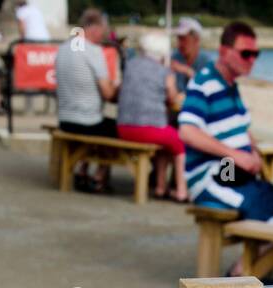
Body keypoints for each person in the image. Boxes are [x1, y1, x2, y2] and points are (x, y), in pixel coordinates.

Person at [178, 21, 273, 228]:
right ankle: (248, 261)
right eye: (245, 54)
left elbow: (241, 127)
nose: (251, 60)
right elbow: (187, 131)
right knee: (269, 209)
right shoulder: (204, 82)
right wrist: (236, 155)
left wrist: (253, 152)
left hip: (229, 167)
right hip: (212, 172)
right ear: (224, 51)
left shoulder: (231, 85)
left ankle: (250, 260)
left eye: (255, 54)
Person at [54, 7, 119, 193]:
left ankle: (82, 170)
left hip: (64, 119)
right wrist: (119, 89)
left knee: (97, 125)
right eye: (103, 31)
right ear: (95, 28)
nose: (104, 36)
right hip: (87, 121)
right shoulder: (92, 51)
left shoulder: (64, 48)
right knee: (119, 128)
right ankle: (99, 176)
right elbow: (108, 93)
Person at [117, 32, 186, 201]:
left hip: (123, 128)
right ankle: (181, 191)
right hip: (148, 129)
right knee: (179, 143)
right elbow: (173, 98)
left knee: (164, 142)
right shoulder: (164, 72)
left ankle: (160, 187)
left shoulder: (130, 65)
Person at [170, 16, 211, 97]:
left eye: (184, 39)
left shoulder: (207, 61)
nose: (180, 44)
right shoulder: (175, 57)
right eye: (179, 39)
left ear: (196, 40)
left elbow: (209, 89)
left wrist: (187, 71)